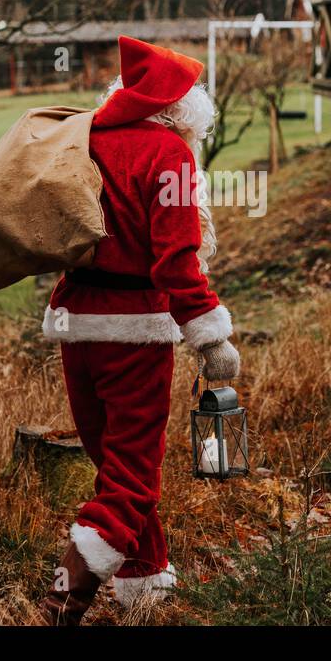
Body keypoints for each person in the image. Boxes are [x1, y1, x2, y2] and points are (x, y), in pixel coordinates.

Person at [38, 35, 240, 626]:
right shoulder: (170, 155)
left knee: (115, 463)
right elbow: (175, 260)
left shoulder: (87, 140)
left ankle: (144, 583)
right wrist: (210, 335)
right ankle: (63, 596)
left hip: (76, 326)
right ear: (183, 109)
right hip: (135, 333)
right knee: (133, 478)